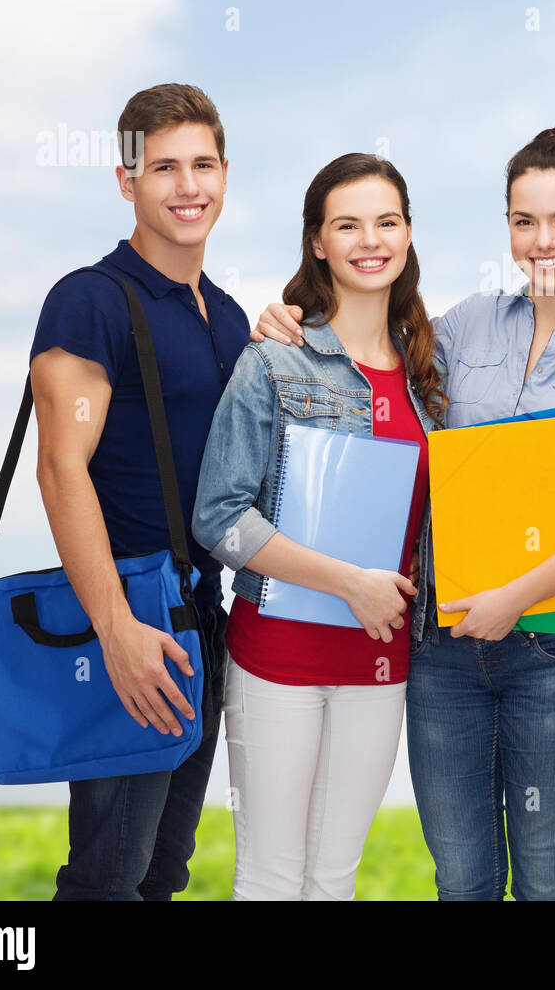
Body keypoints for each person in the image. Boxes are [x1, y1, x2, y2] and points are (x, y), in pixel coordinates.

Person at [256, 124, 555, 900]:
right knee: (463, 879)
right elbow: (364, 354)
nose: (542, 240)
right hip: (442, 651)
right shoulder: (466, 323)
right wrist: (283, 320)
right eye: (523, 220)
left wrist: (515, 598)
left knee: (546, 880)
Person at [192, 154, 441, 900]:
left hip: (380, 662)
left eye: (387, 221)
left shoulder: (433, 376)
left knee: (333, 879)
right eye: (348, 224)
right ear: (318, 242)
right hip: (277, 659)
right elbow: (220, 518)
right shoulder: (274, 359)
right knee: (271, 877)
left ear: (407, 234)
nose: (371, 239)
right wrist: (349, 583)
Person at [30, 83, 250, 901]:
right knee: (106, 879)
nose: (186, 185)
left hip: (204, 624)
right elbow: (61, 468)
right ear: (127, 181)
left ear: (226, 174)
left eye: (201, 164)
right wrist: (115, 625)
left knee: (161, 873)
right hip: (130, 621)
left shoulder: (226, 318)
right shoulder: (90, 300)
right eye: (163, 167)